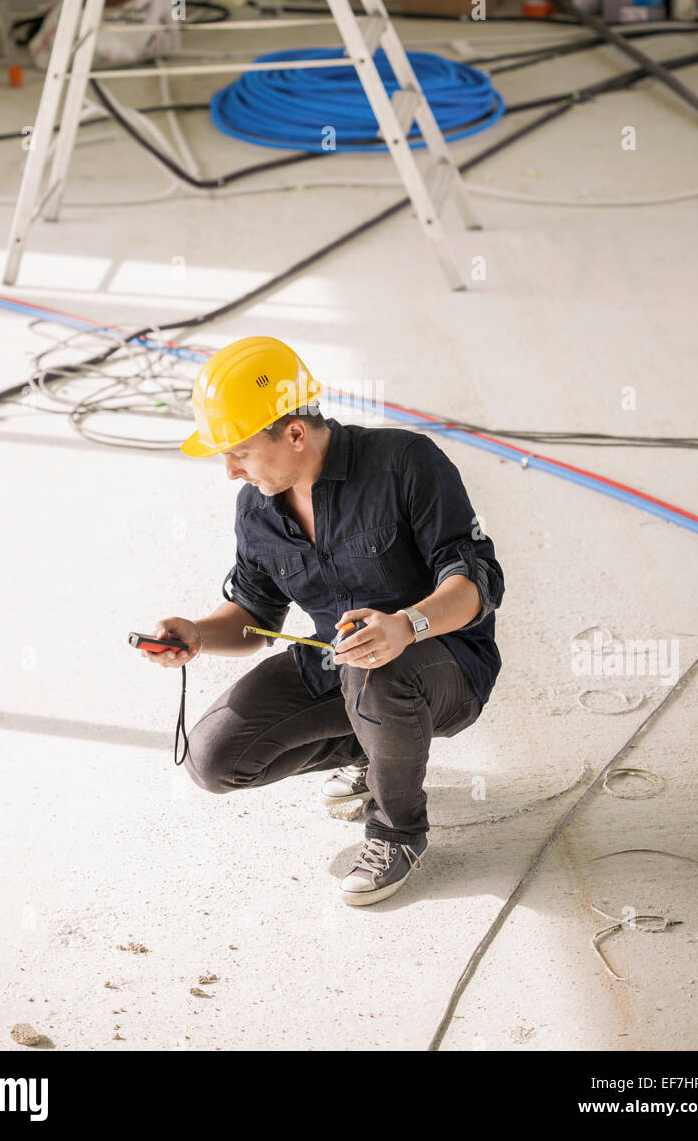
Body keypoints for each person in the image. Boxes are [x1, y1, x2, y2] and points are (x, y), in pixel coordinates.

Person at [143, 336, 504, 906]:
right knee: (215, 759)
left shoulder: (405, 462)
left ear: (293, 433)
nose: (230, 470)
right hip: (339, 664)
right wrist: (198, 634)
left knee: (376, 670)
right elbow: (256, 614)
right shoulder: (258, 506)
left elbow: (478, 583)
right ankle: (376, 752)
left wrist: (406, 625)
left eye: (237, 450)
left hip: (445, 664)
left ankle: (398, 831)